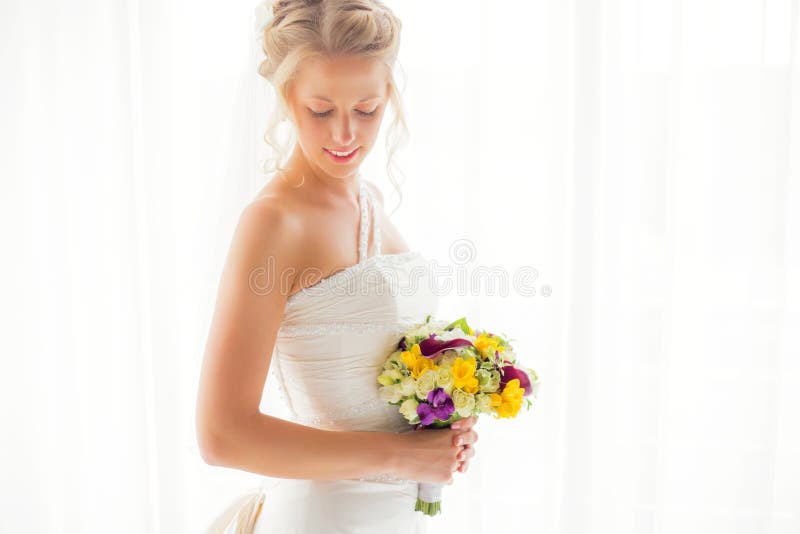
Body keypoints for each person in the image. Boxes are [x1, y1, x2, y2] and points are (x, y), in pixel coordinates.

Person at [195, 1, 479, 532]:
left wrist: (441, 416)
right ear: (286, 99)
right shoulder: (274, 223)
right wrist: (402, 457)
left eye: (366, 109)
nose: (345, 135)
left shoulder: (369, 201)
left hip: (395, 518)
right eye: (321, 111)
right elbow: (221, 435)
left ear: (389, 95)